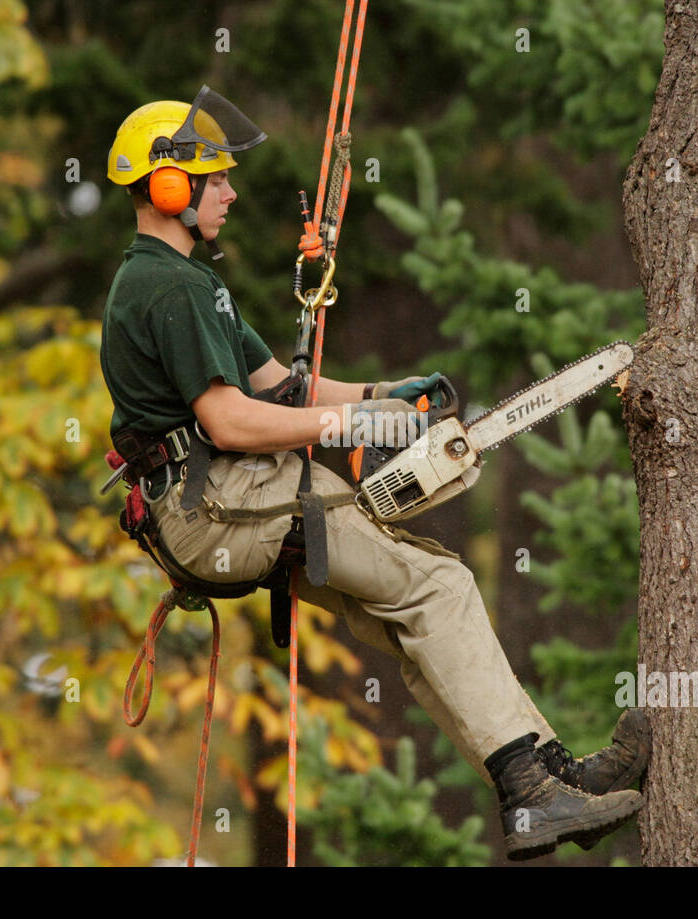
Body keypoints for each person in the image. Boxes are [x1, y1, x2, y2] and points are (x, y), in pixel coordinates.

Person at [99, 87, 651, 861]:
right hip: (220, 505)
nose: (230, 190)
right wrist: (344, 425)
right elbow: (228, 421)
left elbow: (275, 386)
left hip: (221, 507)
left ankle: (552, 776)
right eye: (213, 176)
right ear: (167, 186)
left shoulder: (190, 283)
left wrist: (382, 397)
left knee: (413, 604)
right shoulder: (169, 285)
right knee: (438, 588)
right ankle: (532, 791)